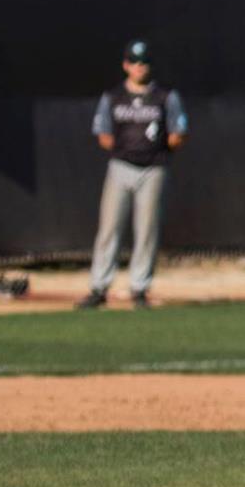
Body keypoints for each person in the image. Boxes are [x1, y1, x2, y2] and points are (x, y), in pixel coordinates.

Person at [80, 39, 188, 310]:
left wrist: (157, 147)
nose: (140, 66)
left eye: (145, 62)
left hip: (153, 168)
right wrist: (126, 148)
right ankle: (99, 287)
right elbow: (103, 133)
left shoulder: (165, 96)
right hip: (121, 167)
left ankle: (139, 288)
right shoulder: (113, 97)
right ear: (126, 65)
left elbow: (178, 133)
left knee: (146, 229)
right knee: (109, 229)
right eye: (135, 62)